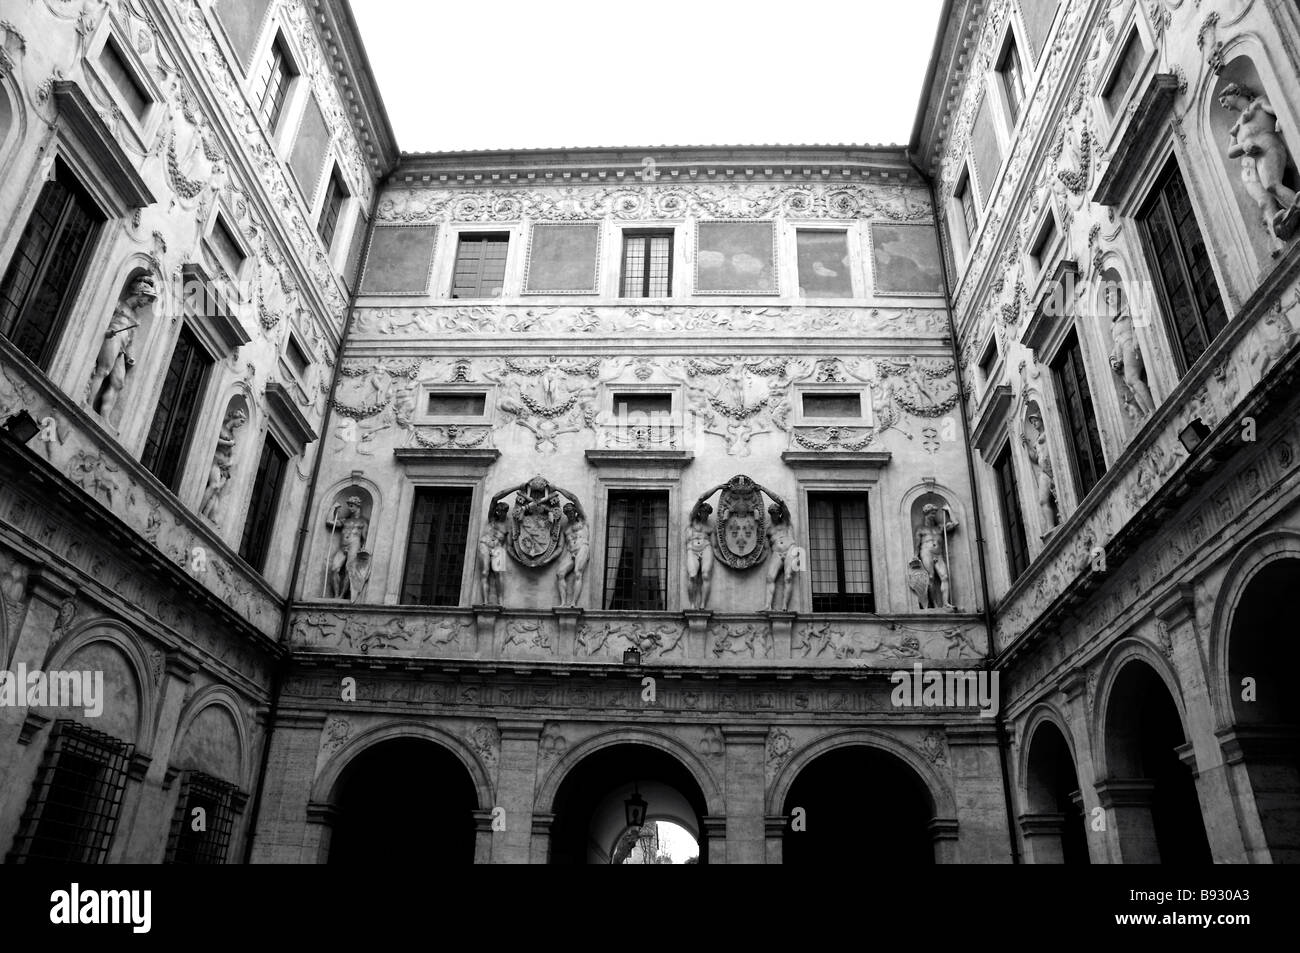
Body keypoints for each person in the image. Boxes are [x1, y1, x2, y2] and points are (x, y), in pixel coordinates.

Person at [1220, 82, 1300, 240]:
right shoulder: (1235, 127)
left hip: (1265, 145)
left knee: (1271, 185)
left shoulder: (1258, 103)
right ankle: (1279, 227)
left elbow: (1275, 109)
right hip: (1248, 162)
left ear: (1236, 93)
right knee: (1263, 201)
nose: (1223, 105)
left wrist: (1279, 118)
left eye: (1224, 99)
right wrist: (1243, 146)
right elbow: (1230, 152)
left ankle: (1296, 205)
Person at [89, 275, 156, 419]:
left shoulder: (136, 317)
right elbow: (103, 319)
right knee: (103, 370)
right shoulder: (119, 305)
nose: (147, 302)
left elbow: (131, 340)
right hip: (113, 337)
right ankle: (88, 405)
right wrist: (107, 332)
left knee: (118, 382)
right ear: (139, 293)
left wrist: (130, 356)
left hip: (122, 347)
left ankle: (104, 417)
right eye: (147, 298)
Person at [199, 407, 246, 522]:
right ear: (236, 417)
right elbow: (214, 438)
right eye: (241, 421)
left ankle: (204, 517)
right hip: (215, 460)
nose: (241, 424)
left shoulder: (233, 435)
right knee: (214, 485)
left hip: (223, 466)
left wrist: (230, 461)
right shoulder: (221, 427)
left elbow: (229, 452)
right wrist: (228, 443)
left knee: (217, 491)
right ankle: (198, 511)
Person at [914, 503, 959, 609]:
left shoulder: (939, 527)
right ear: (926, 514)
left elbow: (955, 523)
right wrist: (915, 556)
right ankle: (933, 603)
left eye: (934, 514)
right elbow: (917, 545)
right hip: (926, 553)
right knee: (930, 577)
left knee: (945, 577)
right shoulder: (921, 530)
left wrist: (948, 510)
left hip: (938, 554)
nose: (933, 516)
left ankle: (945, 603)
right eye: (931, 514)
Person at [327, 496, 371, 601]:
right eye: (349, 505)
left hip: (354, 545)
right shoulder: (345, 520)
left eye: (351, 506)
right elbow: (329, 522)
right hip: (342, 546)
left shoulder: (363, 521)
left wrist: (363, 549)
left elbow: (364, 538)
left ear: (357, 506)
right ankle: (336, 595)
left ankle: (342, 595)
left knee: (349, 570)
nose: (350, 508)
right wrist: (333, 509)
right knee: (334, 569)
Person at [764, 502, 805, 611]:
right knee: (770, 577)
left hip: (791, 550)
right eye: (772, 514)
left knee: (788, 577)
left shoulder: (786, 522)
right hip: (776, 552)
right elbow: (763, 545)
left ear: (780, 513)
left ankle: (784, 606)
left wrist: (763, 489)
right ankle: (768, 606)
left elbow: (782, 502)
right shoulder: (768, 529)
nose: (775, 516)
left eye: (776, 513)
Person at [554, 501, 590, 607]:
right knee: (560, 573)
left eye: (570, 512)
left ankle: (573, 603)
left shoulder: (583, 521)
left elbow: (574, 498)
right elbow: (560, 547)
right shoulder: (565, 528)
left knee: (577, 572)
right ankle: (563, 603)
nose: (569, 514)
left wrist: (557, 489)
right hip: (570, 551)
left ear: (575, 511)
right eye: (567, 513)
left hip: (582, 547)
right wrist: (548, 559)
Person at [477, 501, 510, 604]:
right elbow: (494, 498)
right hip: (485, 544)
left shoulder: (508, 525)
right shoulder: (492, 519)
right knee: (484, 572)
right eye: (499, 512)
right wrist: (517, 487)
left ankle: (500, 602)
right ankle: (485, 602)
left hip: (498, 548)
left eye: (503, 512)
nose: (500, 514)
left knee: (498, 573)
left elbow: (508, 543)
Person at [685, 501, 715, 610]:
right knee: (692, 576)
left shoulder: (710, 528)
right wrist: (717, 488)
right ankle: (692, 604)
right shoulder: (692, 521)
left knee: (706, 575)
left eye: (707, 513)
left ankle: (703, 604)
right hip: (692, 548)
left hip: (706, 547)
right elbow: (700, 499)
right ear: (699, 512)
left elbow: (715, 546)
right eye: (703, 512)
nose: (705, 515)